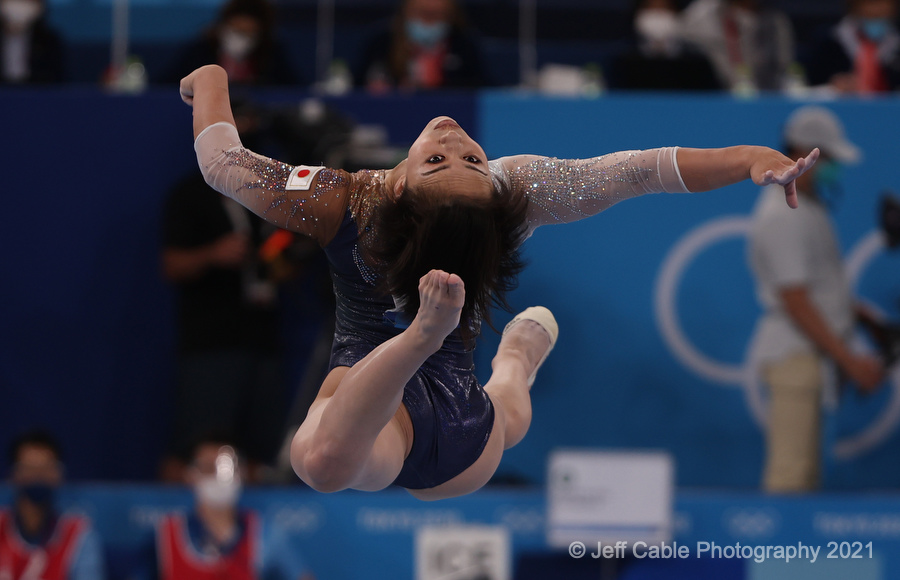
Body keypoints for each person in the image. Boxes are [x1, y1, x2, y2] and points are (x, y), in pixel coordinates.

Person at [179, 63, 816, 500]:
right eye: (447, 159)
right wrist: (750, 158)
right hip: (426, 421)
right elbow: (223, 168)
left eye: (462, 159)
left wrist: (752, 161)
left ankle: (444, 341)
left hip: (448, 423)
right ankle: (513, 361)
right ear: (396, 189)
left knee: (315, 460)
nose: (454, 141)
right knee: (481, 419)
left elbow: (636, 171)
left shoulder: (383, 197)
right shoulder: (363, 198)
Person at [748, 106, 886, 493]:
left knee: (805, 478)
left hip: (810, 356)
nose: (834, 168)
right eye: (830, 159)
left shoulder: (807, 209)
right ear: (802, 151)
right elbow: (795, 300)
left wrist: (862, 320)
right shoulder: (783, 215)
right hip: (795, 356)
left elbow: (820, 290)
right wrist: (850, 361)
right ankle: (774, 555)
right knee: (790, 476)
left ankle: (792, 555)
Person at [160, 103, 297, 483]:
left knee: (261, 451)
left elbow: (284, 257)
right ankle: (175, 527)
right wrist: (212, 254)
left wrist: (281, 263)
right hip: (211, 343)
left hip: (263, 341)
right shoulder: (189, 196)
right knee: (193, 445)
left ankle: (249, 535)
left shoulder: (267, 194)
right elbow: (171, 265)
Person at [134, 438, 314, 580]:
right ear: (190, 475)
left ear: (241, 473)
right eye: (207, 468)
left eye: (225, 468)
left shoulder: (266, 534)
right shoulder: (165, 536)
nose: (217, 477)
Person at [0, 430, 105, 579]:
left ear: (58, 474)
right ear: (14, 474)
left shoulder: (78, 535)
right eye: (30, 469)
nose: (37, 476)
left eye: (45, 470)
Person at [355, 0, 488, 91]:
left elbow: (484, 89)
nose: (428, 23)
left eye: (436, 15)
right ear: (407, 11)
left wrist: (439, 82)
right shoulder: (381, 43)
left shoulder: (464, 46)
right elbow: (354, 86)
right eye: (423, 14)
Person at [162, 0, 298, 86]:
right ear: (223, 26)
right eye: (236, 31)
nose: (241, 38)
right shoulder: (200, 50)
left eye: (248, 33)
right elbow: (166, 85)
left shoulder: (272, 53)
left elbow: (293, 88)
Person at [680, 0, 796, 93]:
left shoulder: (777, 21)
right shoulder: (700, 16)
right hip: (716, 99)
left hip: (767, 99)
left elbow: (784, 71)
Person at [609, 0, 722, 91]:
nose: (658, 15)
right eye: (651, 8)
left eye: (664, 8)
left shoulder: (698, 61)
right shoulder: (623, 62)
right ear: (638, 13)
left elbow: (710, 98)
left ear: (677, 13)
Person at [806, 0, 900, 94]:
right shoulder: (829, 39)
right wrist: (833, 85)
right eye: (871, 3)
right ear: (855, 6)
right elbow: (812, 83)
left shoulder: (896, 41)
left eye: (885, 3)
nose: (878, 10)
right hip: (843, 105)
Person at [0, 0, 65, 84]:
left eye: (25, 2)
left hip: (36, 93)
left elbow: (56, 79)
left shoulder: (48, 40)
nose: (18, 7)